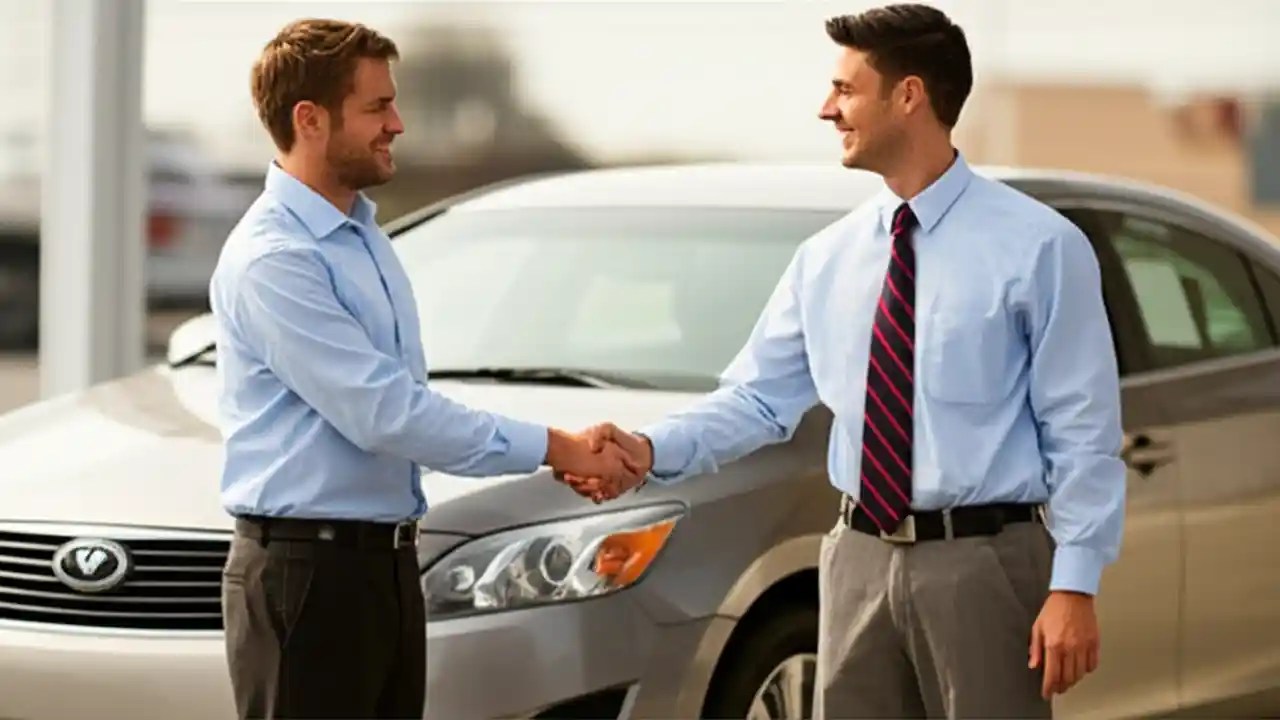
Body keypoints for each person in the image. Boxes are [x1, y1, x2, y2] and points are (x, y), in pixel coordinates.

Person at [561, 4, 1125, 718]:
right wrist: (647, 448)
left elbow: (1082, 430)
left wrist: (1075, 585)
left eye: (846, 89)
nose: (827, 109)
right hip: (856, 557)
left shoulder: (1041, 247)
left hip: (985, 565)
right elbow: (758, 401)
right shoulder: (827, 259)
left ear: (909, 95)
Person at [209, 18, 641, 720]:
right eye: (377, 107)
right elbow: (388, 413)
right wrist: (558, 447)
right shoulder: (277, 259)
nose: (398, 123)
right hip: (307, 578)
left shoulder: (362, 238)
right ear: (310, 120)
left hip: (381, 567)